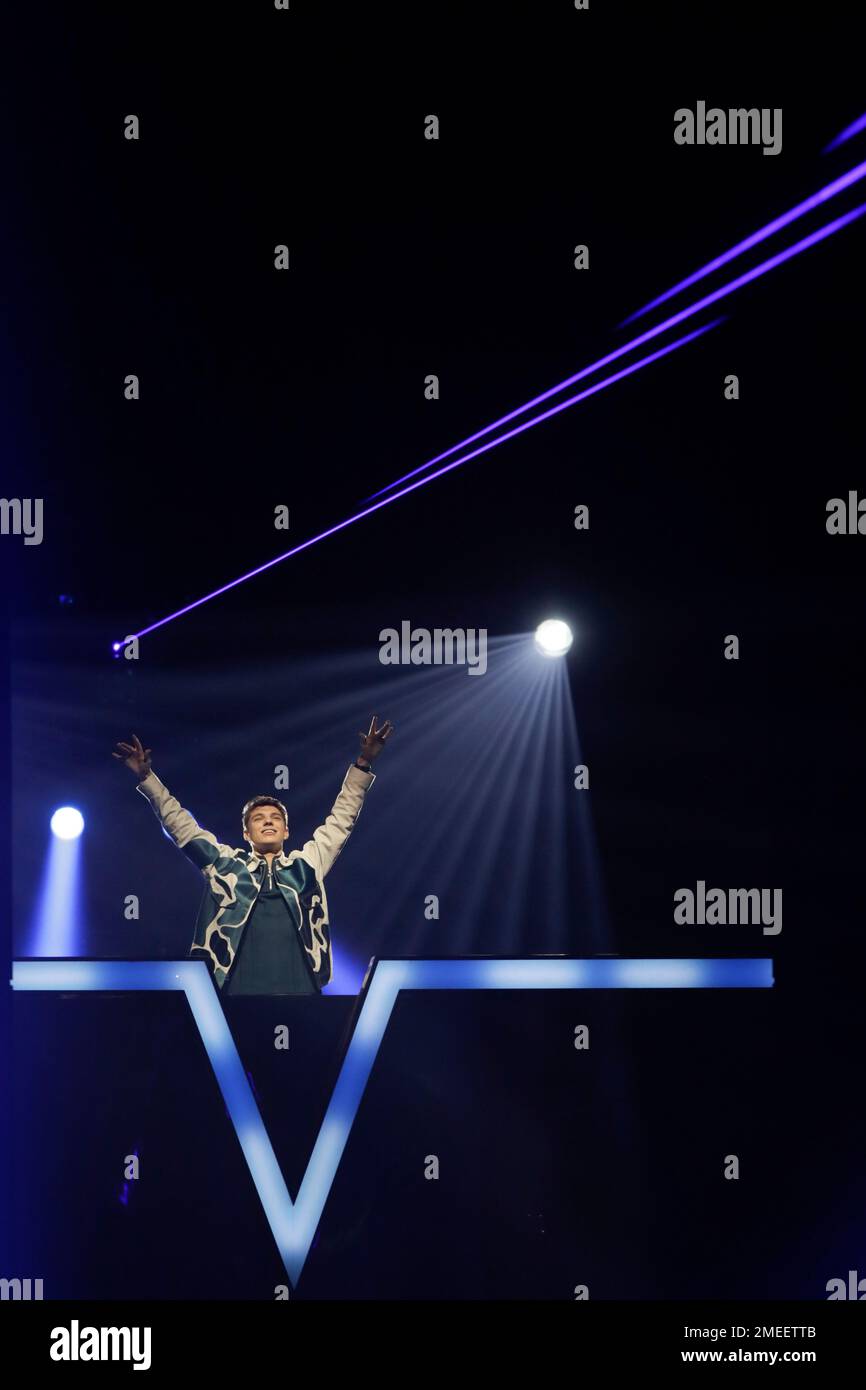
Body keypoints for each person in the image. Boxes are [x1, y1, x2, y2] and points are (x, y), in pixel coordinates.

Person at [112, 717, 393, 994]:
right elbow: (180, 825)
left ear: (285, 831)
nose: (268, 822)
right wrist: (147, 778)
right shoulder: (224, 864)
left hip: (301, 986)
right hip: (233, 987)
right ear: (247, 834)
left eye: (275, 818)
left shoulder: (307, 864)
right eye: (259, 819)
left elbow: (342, 818)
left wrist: (363, 763)